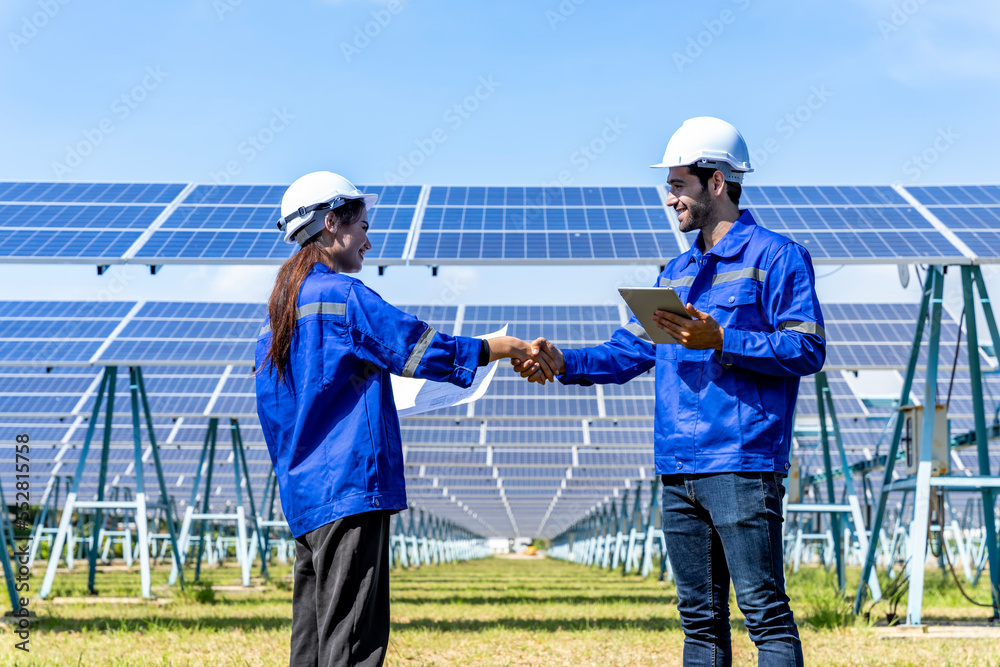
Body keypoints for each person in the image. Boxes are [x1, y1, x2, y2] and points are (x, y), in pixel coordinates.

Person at [517, 117, 825, 666]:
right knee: (699, 621)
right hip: (678, 465)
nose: (670, 198)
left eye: (679, 184)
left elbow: (806, 350)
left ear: (717, 183)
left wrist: (723, 338)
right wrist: (564, 362)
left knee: (764, 612)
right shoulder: (676, 273)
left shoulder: (778, 257)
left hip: (741, 461)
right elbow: (629, 352)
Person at [254, 171, 541, 667]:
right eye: (362, 225)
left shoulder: (277, 317)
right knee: (353, 643)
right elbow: (415, 346)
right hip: (349, 488)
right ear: (331, 225)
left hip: (305, 495)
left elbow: (277, 413)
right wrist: (497, 347)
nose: (369, 239)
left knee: (313, 641)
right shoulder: (343, 297)